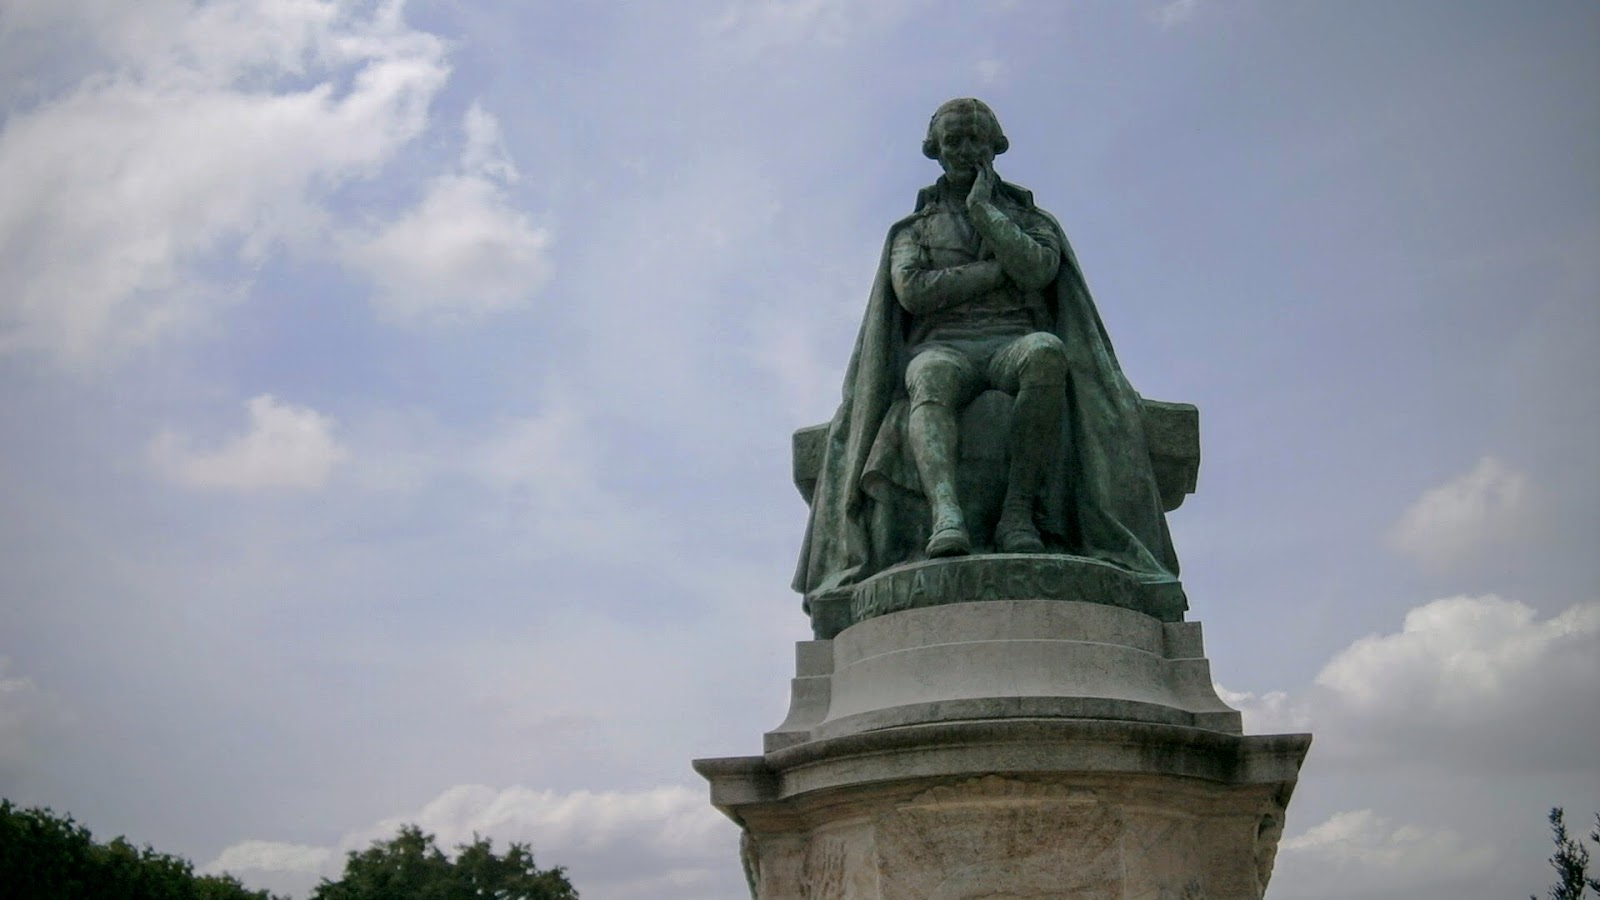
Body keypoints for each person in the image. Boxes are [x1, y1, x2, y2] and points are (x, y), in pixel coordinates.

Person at [794, 98, 1181, 608]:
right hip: (944, 345)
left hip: (1012, 340)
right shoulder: (913, 229)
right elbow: (913, 292)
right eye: (953, 141)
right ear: (935, 150)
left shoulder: (1031, 219)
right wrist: (998, 272)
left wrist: (983, 212)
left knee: (1046, 353)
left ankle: (1018, 512)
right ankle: (946, 515)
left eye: (975, 139)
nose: (964, 150)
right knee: (929, 376)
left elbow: (1039, 269)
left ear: (995, 146)